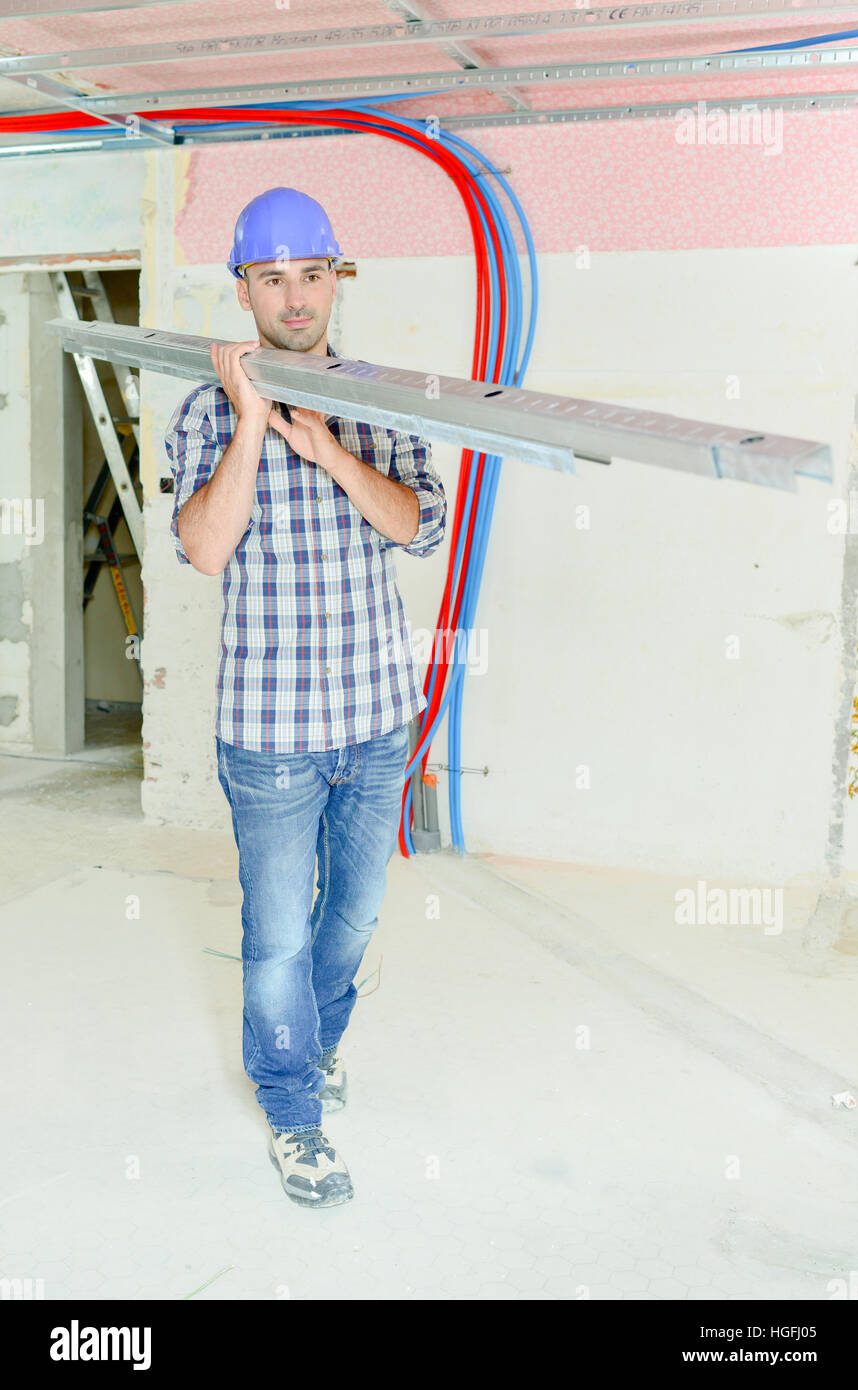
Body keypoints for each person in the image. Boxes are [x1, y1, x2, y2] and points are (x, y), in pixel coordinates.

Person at [164, 187, 447, 1208]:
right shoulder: (203, 408)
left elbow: (421, 526)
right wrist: (252, 423)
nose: (294, 297)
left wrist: (326, 442)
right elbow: (204, 548)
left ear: (338, 280)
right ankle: (293, 1109)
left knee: (353, 917)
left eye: (311, 275)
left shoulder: (383, 395)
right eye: (271, 277)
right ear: (242, 287)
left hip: (377, 720)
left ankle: (312, 1044)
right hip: (272, 734)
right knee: (278, 932)